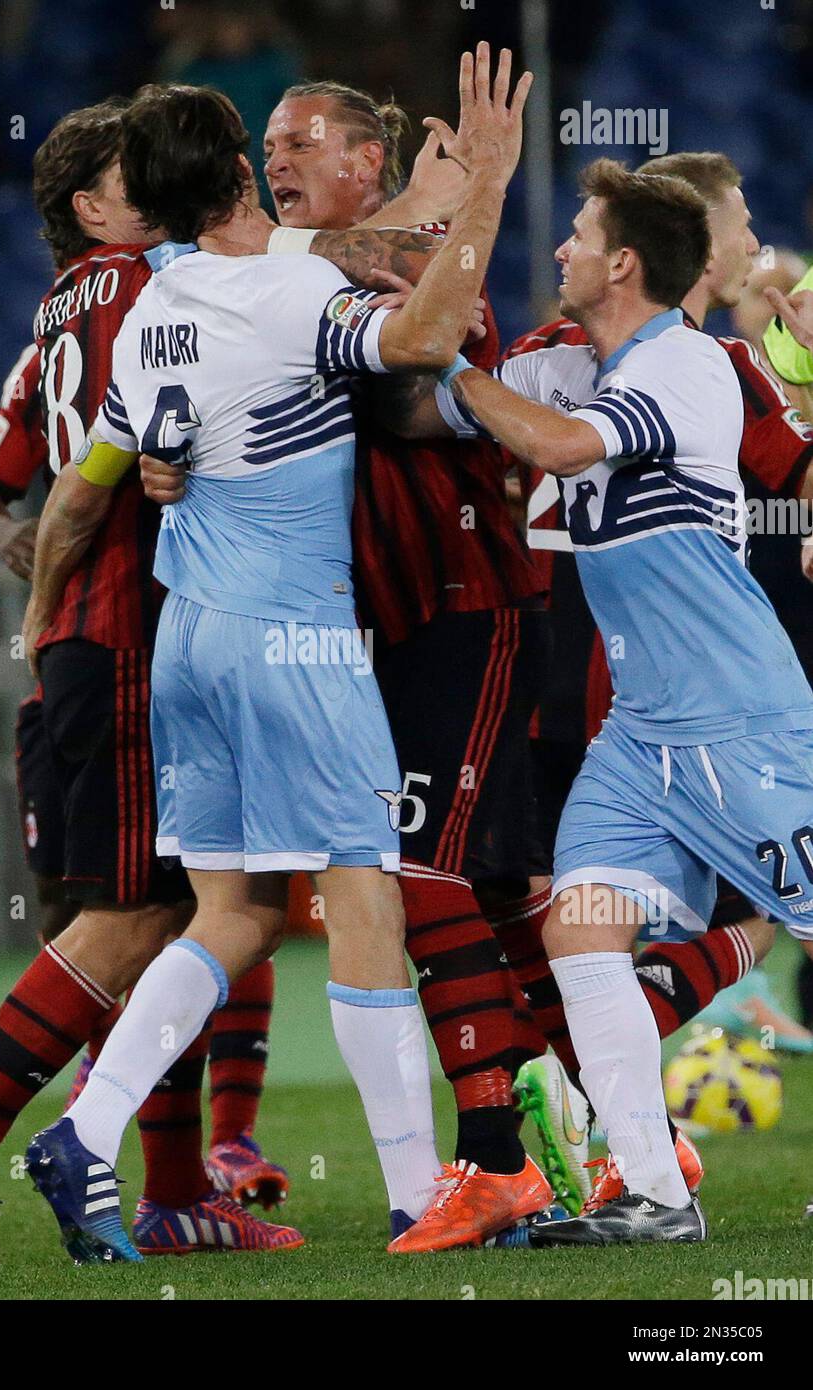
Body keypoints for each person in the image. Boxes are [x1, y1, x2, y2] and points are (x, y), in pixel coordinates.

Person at [23, 49, 548, 1262]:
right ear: (230, 182)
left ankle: (84, 1130)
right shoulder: (288, 294)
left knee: (237, 909)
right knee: (363, 891)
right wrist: (486, 189)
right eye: (256, 147)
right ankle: (421, 1193)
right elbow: (418, 333)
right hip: (293, 634)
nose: (273, 158)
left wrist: (44, 615)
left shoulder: (154, 301)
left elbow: (101, 481)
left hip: (184, 641)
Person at [0, 100, 299, 1269]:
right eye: (142, 178)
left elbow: (28, 473)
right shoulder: (147, 283)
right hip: (123, 630)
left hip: (113, 634)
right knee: (132, 918)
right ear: (98, 208)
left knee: (186, 911)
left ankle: (171, 1189)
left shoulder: (54, 318)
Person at [393, 157, 813, 1244]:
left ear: (622, 263)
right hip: (637, 735)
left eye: (579, 236)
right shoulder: (560, 366)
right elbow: (420, 405)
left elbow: (559, 445)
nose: (563, 251)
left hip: (738, 721)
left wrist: (453, 365)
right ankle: (654, 1194)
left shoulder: (685, 366)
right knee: (582, 938)